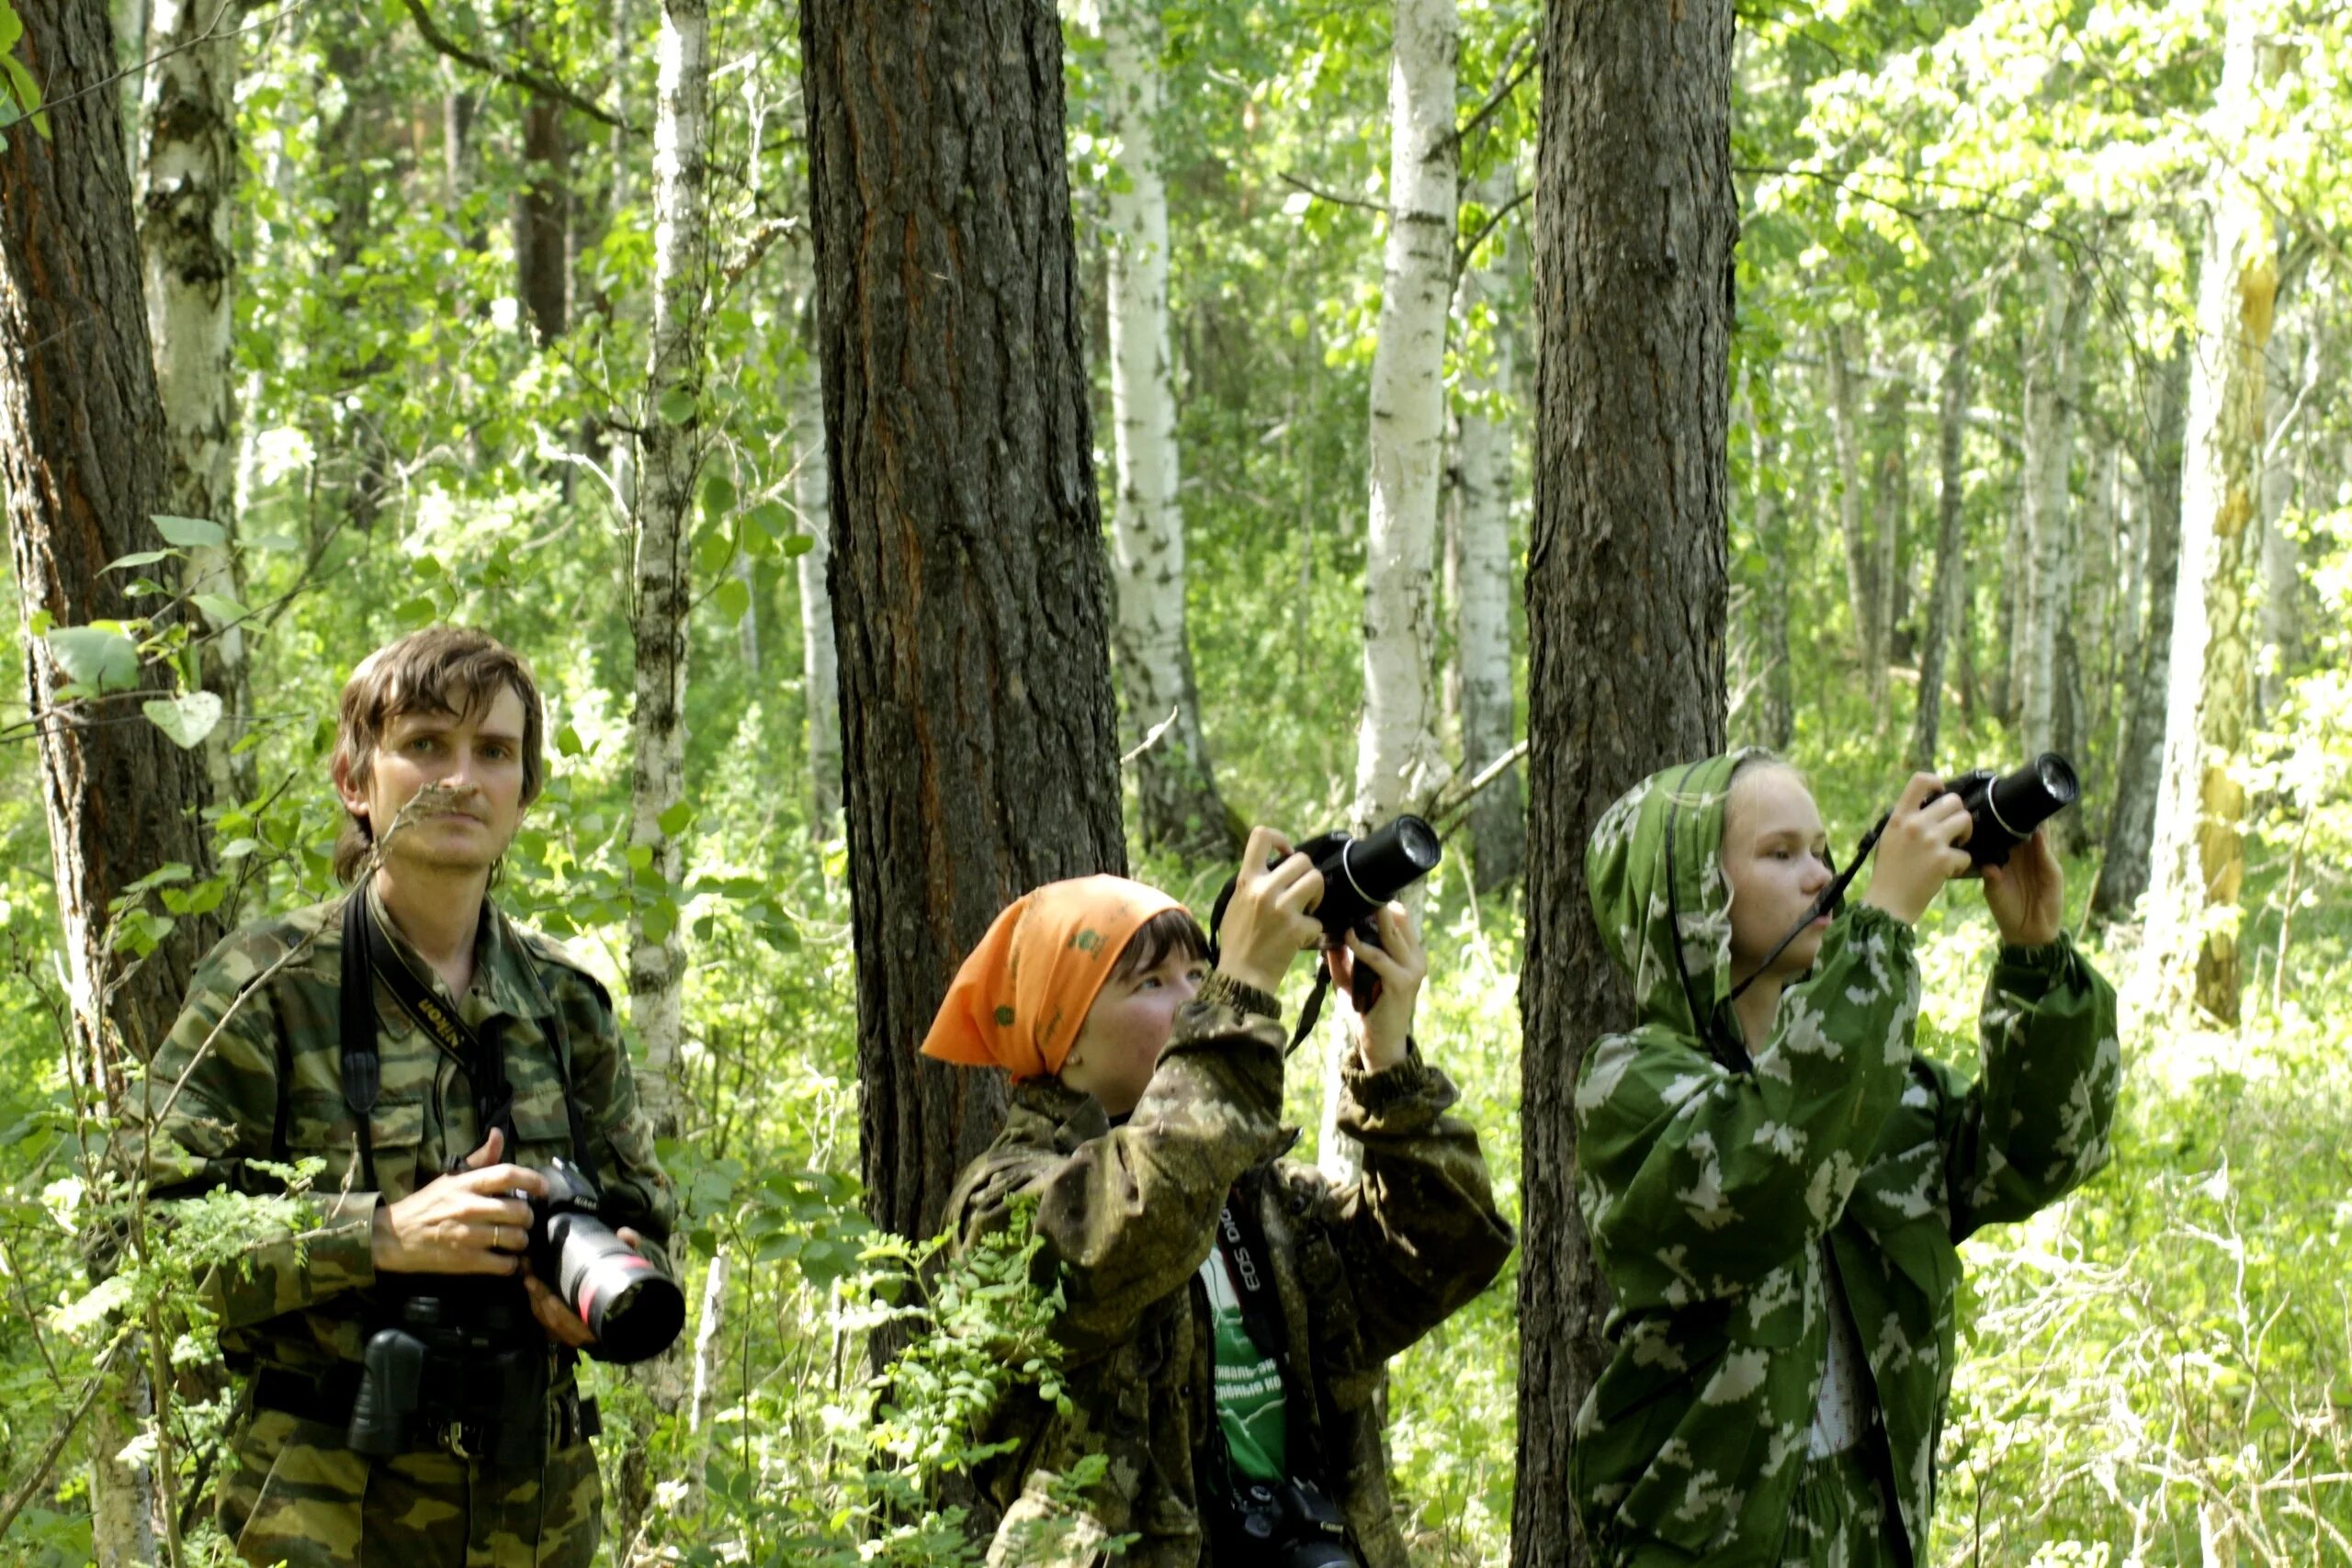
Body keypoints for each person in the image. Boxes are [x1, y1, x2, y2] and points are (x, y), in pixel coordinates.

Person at [128, 626, 676, 1568]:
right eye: (425, 744)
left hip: (534, 1516)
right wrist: (378, 1237)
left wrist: (591, 1285)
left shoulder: (563, 1004)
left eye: (494, 753)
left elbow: (648, 1222)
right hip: (319, 1516)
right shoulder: (267, 989)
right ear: (356, 780)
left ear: (523, 790)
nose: (460, 778)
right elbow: (145, 1246)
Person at [1568, 750, 2124, 1567]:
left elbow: (2038, 1154)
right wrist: (1884, 924)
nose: (1819, 877)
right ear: (1687, 897)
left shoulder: (1867, 1085)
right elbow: (1773, 1171)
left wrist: (2036, 954)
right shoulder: (1631, 1090)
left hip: (1872, 1527)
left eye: (1824, 851)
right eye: (1779, 852)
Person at [920, 838, 1515, 1566]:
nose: (1196, 999)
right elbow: (1143, 1208)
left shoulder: (1262, 1204)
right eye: (1152, 983)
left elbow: (1446, 1252)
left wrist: (1385, 1056)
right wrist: (1244, 991)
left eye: (1201, 973)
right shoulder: (1003, 1208)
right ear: (1064, 1042)